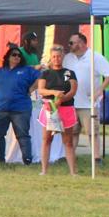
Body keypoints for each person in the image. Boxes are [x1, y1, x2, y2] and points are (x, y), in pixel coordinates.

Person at [62, 31, 109, 164]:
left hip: (88, 104)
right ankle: (71, 157)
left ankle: (96, 158)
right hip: (71, 102)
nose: (69, 45)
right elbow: (66, 75)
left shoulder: (95, 57)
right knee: (73, 132)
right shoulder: (68, 58)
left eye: (71, 42)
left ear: (81, 43)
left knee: (92, 132)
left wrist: (99, 91)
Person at [0, 47, 39, 165]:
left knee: (22, 135)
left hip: (20, 109)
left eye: (19, 55)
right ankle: (0, 159)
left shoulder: (26, 70)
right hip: (0, 108)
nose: (17, 57)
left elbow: (41, 77)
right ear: (8, 57)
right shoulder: (0, 71)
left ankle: (27, 159)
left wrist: (31, 89)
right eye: (14, 55)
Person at [37, 44, 78, 176]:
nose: (56, 59)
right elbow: (41, 90)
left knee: (68, 141)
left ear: (63, 57)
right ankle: (44, 170)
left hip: (65, 108)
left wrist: (62, 98)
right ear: (51, 57)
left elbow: (72, 90)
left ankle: (73, 172)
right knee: (47, 139)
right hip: (50, 108)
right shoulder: (46, 73)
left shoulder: (67, 73)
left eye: (59, 56)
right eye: (54, 56)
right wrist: (54, 93)